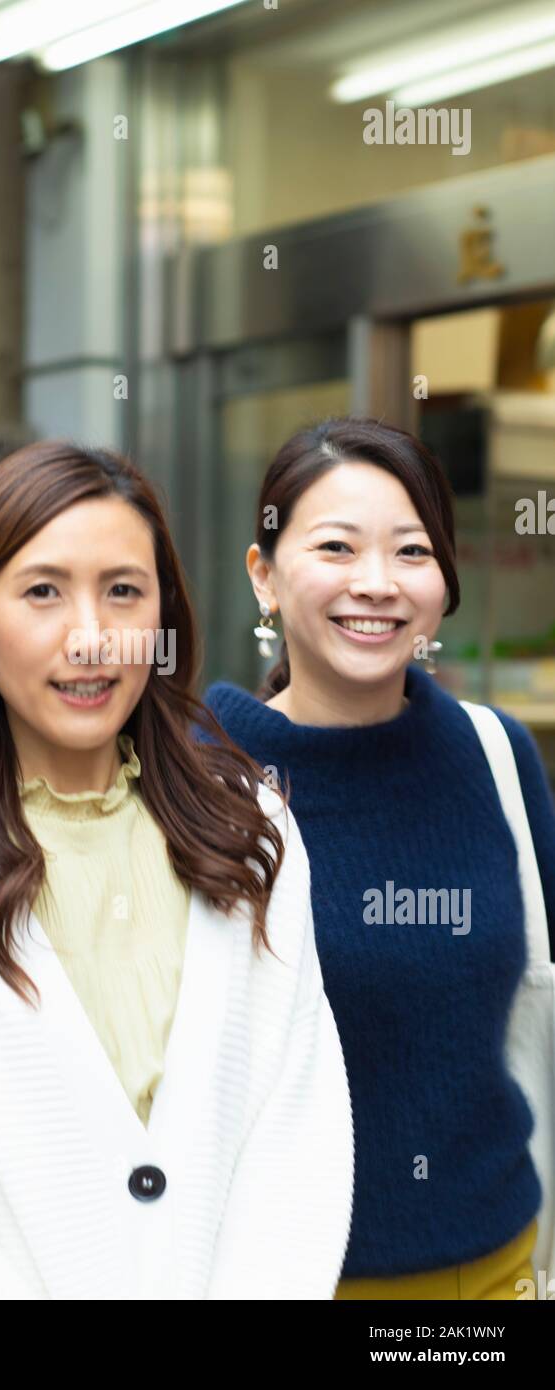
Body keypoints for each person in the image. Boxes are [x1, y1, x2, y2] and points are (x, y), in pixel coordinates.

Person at [0, 439, 353, 1300]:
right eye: (42, 593)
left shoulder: (252, 829)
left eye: (124, 592)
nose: (92, 637)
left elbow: (298, 1134)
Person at [200, 414, 555, 1300]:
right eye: (336, 547)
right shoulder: (201, 787)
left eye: (411, 552)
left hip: (505, 1261)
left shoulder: (497, 757)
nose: (377, 584)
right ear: (265, 576)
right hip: (304, 1280)